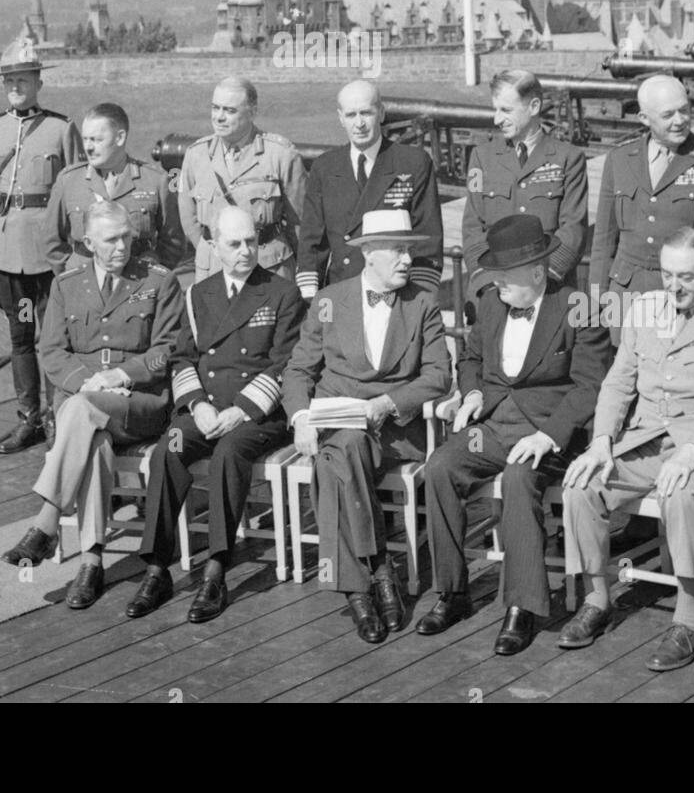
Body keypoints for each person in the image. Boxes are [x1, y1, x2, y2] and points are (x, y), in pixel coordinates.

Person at [562, 229, 694, 672]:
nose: (674, 286)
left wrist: (693, 452)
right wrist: (601, 441)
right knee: (581, 484)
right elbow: (619, 381)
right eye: (667, 275)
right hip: (646, 439)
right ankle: (597, 600)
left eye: (686, 277)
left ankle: (689, 618)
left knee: (680, 494)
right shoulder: (644, 309)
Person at [417, 215, 611, 657]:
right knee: (440, 466)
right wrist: (471, 394)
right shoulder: (490, 303)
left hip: (547, 432)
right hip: (493, 426)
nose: (496, 280)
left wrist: (548, 436)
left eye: (506, 273)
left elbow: (589, 387)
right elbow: (470, 359)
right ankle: (452, 591)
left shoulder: (580, 307)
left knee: (519, 477)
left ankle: (522, 607)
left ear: (538, 272)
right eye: (495, 271)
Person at [126, 206, 305, 624]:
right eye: (234, 244)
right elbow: (182, 357)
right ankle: (157, 568)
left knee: (228, 453)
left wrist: (241, 410)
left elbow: (286, 363)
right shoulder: (197, 294)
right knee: (168, 450)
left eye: (251, 242)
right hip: (205, 407)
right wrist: (198, 404)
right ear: (214, 246)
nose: (245, 251)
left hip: (258, 413)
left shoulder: (282, 293)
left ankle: (216, 569)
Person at [0, 203, 182, 609]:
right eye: (111, 239)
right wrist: (88, 384)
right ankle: (92, 562)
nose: (122, 246)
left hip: (138, 404)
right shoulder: (67, 285)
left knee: (81, 413)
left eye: (126, 237)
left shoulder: (159, 281)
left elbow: (167, 350)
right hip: (84, 404)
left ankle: (46, 522)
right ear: (88, 243)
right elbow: (51, 351)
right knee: (93, 439)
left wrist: (120, 376)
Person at [282, 209, 451, 645]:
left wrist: (388, 402)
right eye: (397, 250)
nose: (407, 259)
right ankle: (377, 574)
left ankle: (358, 586)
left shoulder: (423, 303)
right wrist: (300, 418)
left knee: (334, 460)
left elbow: (438, 375)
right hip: (337, 425)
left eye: (409, 250)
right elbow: (299, 370)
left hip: (395, 431)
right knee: (343, 449)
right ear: (369, 253)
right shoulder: (329, 299)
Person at [0, 36, 81, 453]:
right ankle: (28, 418)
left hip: (48, 255)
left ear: (38, 82)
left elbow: (76, 191)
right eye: (9, 80)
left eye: (23, 79)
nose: (15, 87)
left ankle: (57, 418)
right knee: (20, 337)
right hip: (7, 255)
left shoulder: (60, 129)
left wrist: (75, 253)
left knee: (54, 339)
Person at [590, 74, 694, 320]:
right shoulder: (619, 159)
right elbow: (604, 239)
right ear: (644, 118)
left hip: (688, 297)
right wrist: (596, 300)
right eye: (668, 115)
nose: (680, 120)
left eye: (684, 110)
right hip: (627, 296)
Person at [295, 78, 443, 300]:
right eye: (351, 115)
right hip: (342, 293)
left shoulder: (412, 163)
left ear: (381, 113)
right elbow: (312, 242)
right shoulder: (325, 168)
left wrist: (421, 297)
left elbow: (428, 238)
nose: (359, 123)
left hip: (399, 295)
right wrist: (310, 298)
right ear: (340, 118)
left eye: (366, 113)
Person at [461, 68, 588, 292]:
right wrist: (488, 283)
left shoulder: (569, 159)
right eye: (495, 110)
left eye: (506, 110)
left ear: (534, 107)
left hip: (549, 289)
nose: (497, 119)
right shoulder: (480, 158)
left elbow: (573, 229)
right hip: (494, 289)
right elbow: (472, 227)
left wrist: (538, 282)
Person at [178, 77, 307, 280]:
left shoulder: (280, 154)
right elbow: (189, 219)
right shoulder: (196, 155)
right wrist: (216, 251)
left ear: (252, 112)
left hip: (268, 268)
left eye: (229, 110)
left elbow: (299, 222)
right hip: (214, 269)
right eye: (215, 108)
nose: (219, 117)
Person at [42, 102, 184, 273]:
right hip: (85, 280)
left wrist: (152, 277)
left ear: (120, 138)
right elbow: (51, 241)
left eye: (96, 140)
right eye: (85, 139)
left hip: (137, 279)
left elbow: (173, 242)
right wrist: (71, 278)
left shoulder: (155, 181)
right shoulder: (69, 181)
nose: (88, 147)